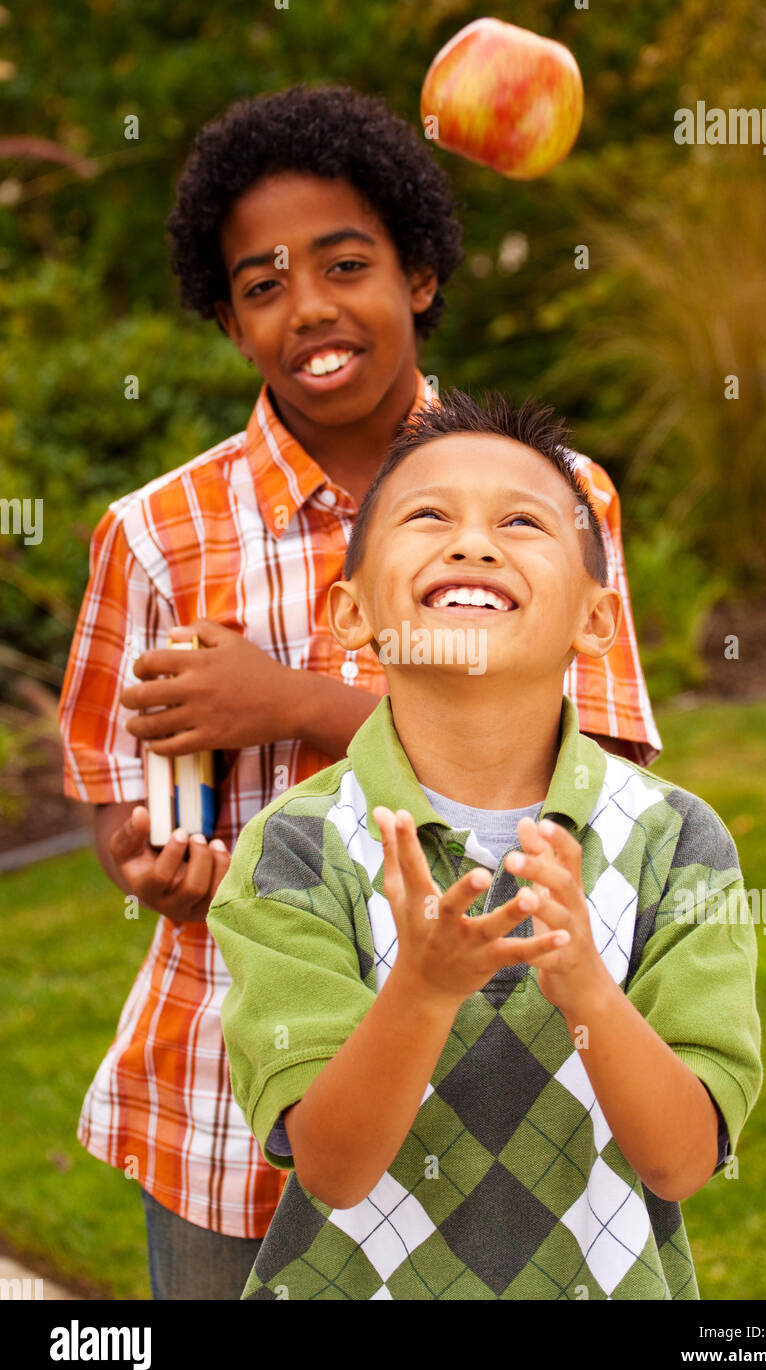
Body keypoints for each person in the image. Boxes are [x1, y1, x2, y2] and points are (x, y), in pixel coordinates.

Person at [58, 84, 660, 1301]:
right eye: (262, 284)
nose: (310, 309)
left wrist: (291, 702)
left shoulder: (552, 497)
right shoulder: (157, 536)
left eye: (345, 263)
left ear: (420, 274)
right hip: (236, 1090)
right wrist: (144, 862)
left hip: (504, 1075)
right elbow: (112, 782)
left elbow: (606, 770)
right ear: (228, 321)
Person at [207, 388, 762, 1301]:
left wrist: (585, 983)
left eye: (520, 521)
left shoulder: (680, 842)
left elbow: (683, 1161)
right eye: (428, 516)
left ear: (596, 621)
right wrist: (422, 990)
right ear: (352, 616)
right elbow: (334, 1169)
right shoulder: (294, 849)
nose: (472, 543)